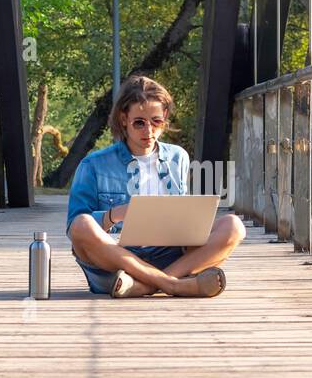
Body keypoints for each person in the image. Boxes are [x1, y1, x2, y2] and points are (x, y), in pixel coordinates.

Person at [66, 75, 245, 298]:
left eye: (156, 121)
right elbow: (74, 228)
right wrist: (115, 215)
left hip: (170, 254)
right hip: (117, 259)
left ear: (165, 118)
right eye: (139, 122)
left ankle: (148, 286)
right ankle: (173, 285)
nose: (148, 131)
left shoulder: (178, 157)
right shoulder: (93, 164)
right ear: (123, 119)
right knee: (81, 224)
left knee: (234, 226)